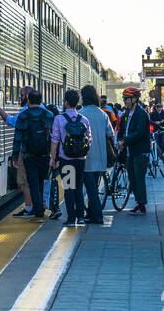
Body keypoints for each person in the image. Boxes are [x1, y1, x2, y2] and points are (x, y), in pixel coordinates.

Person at [49, 89, 91, 227]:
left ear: (66, 102)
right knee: (78, 188)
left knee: (68, 188)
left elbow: (55, 140)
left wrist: (52, 158)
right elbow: (89, 140)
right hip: (80, 160)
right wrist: (84, 154)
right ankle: (81, 217)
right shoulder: (84, 119)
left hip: (66, 159)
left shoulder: (59, 119)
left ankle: (71, 219)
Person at [12, 88, 54, 218]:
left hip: (29, 155)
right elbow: (54, 136)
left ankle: (38, 210)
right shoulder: (49, 115)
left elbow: (17, 137)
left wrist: (15, 156)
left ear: (28, 101)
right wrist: (55, 155)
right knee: (43, 181)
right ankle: (42, 206)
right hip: (45, 155)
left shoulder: (23, 116)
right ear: (41, 101)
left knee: (33, 182)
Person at [79, 84, 116, 224]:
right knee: (92, 186)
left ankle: (97, 216)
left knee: (91, 189)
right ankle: (90, 214)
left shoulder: (81, 113)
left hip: (87, 157)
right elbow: (110, 134)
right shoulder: (103, 114)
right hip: (101, 157)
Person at [0, 86, 33, 216]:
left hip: (27, 152)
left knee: (24, 182)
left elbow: (11, 122)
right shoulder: (45, 111)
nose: (20, 98)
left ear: (28, 96)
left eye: (22, 95)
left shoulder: (25, 112)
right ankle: (39, 207)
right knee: (37, 181)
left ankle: (29, 209)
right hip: (42, 153)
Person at [117, 87, 151, 214]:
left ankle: (141, 204)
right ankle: (139, 202)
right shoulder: (126, 113)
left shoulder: (140, 113)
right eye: (124, 99)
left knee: (139, 177)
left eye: (127, 99)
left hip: (140, 151)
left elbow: (140, 132)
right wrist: (120, 139)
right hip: (129, 151)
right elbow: (122, 129)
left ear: (134, 99)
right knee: (132, 177)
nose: (125, 101)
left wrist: (125, 141)